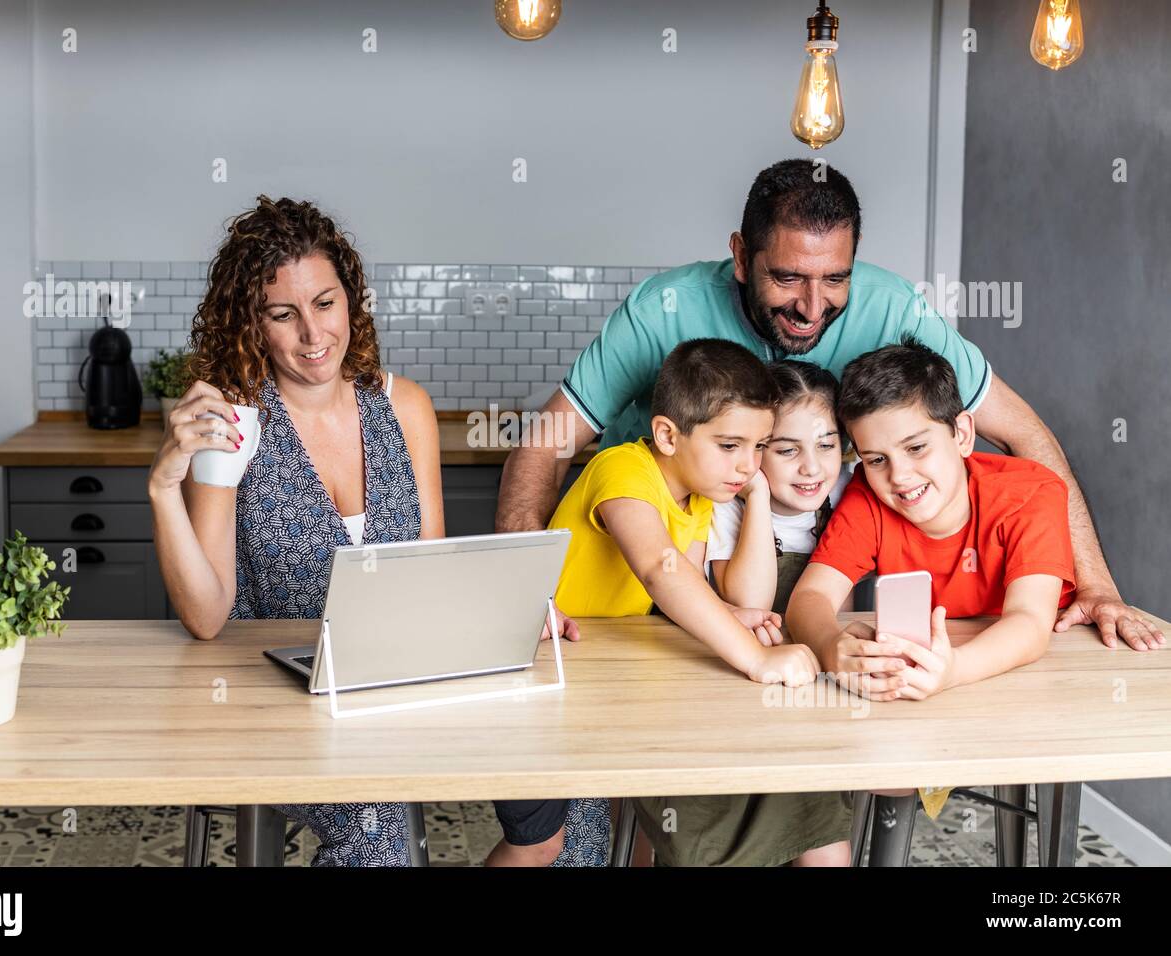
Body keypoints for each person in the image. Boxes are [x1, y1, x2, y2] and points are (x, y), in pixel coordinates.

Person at [496, 159, 1163, 652]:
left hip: (783, 567)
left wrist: (1098, 586)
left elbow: (1028, 438)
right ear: (740, 256)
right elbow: (543, 442)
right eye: (787, 277)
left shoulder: (896, 308)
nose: (812, 308)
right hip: (634, 571)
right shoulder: (662, 309)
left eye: (834, 279)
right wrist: (525, 593)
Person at [147, 195, 445, 866]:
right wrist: (164, 485)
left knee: (573, 808)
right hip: (269, 698)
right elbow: (204, 614)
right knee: (373, 831)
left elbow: (431, 574)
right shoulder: (234, 421)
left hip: (387, 690)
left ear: (351, 300)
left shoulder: (407, 408)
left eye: (325, 304)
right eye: (283, 315)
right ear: (252, 324)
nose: (313, 336)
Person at [489, 338, 816, 867]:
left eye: (759, 447)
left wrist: (728, 615)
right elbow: (660, 569)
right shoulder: (623, 470)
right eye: (730, 446)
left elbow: (678, 585)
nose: (749, 467)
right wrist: (755, 658)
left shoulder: (700, 496)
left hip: (588, 682)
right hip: (530, 680)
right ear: (667, 435)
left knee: (586, 845)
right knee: (539, 844)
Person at [787, 336, 1080, 817]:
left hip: (1017, 688)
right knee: (884, 776)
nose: (899, 476)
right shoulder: (868, 496)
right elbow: (811, 596)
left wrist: (953, 671)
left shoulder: (1033, 491)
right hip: (922, 694)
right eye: (876, 458)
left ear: (963, 433)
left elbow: (1030, 624)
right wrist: (831, 647)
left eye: (916, 447)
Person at [633, 360, 857, 867]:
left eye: (826, 445)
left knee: (821, 828)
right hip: (716, 694)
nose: (812, 467)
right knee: (697, 833)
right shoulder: (721, 502)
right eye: (784, 450)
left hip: (804, 695)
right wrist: (755, 494)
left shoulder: (846, 493)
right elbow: (753, 602)